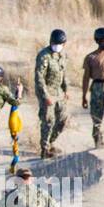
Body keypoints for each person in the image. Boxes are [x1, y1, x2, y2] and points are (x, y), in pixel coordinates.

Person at [34, 30, 70, 158]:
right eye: (55, 43)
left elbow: (64, 73)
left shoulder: (63, 55)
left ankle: (51, 142)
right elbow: (39, 78)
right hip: (47, 91)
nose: (57, 46)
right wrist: (45, 96)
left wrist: (66, 89)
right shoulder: (44, 56)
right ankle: (44, 149)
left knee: (63, 119)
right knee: (48, 120)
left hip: (58, 92)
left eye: (60, 44)